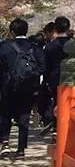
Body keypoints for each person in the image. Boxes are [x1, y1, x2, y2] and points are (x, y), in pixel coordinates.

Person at [0, 19, 45, 158]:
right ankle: (21, 149)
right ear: (26, 30)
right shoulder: (34, 47)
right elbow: (42, 67)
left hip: (7, 86)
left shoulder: (4, 47)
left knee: (5, 114)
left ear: (12, 31)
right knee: (24, 116)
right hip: (28, 88)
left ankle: (5, 143)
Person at [38, 16, 71, 130]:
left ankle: (58, 126)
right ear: (68, 28)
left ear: (55, 28)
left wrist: (46, 80)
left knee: (58, 103)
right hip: (73, 79)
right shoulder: (74, 44)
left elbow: (46, 65)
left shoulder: (50, 46)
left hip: (55, 78)